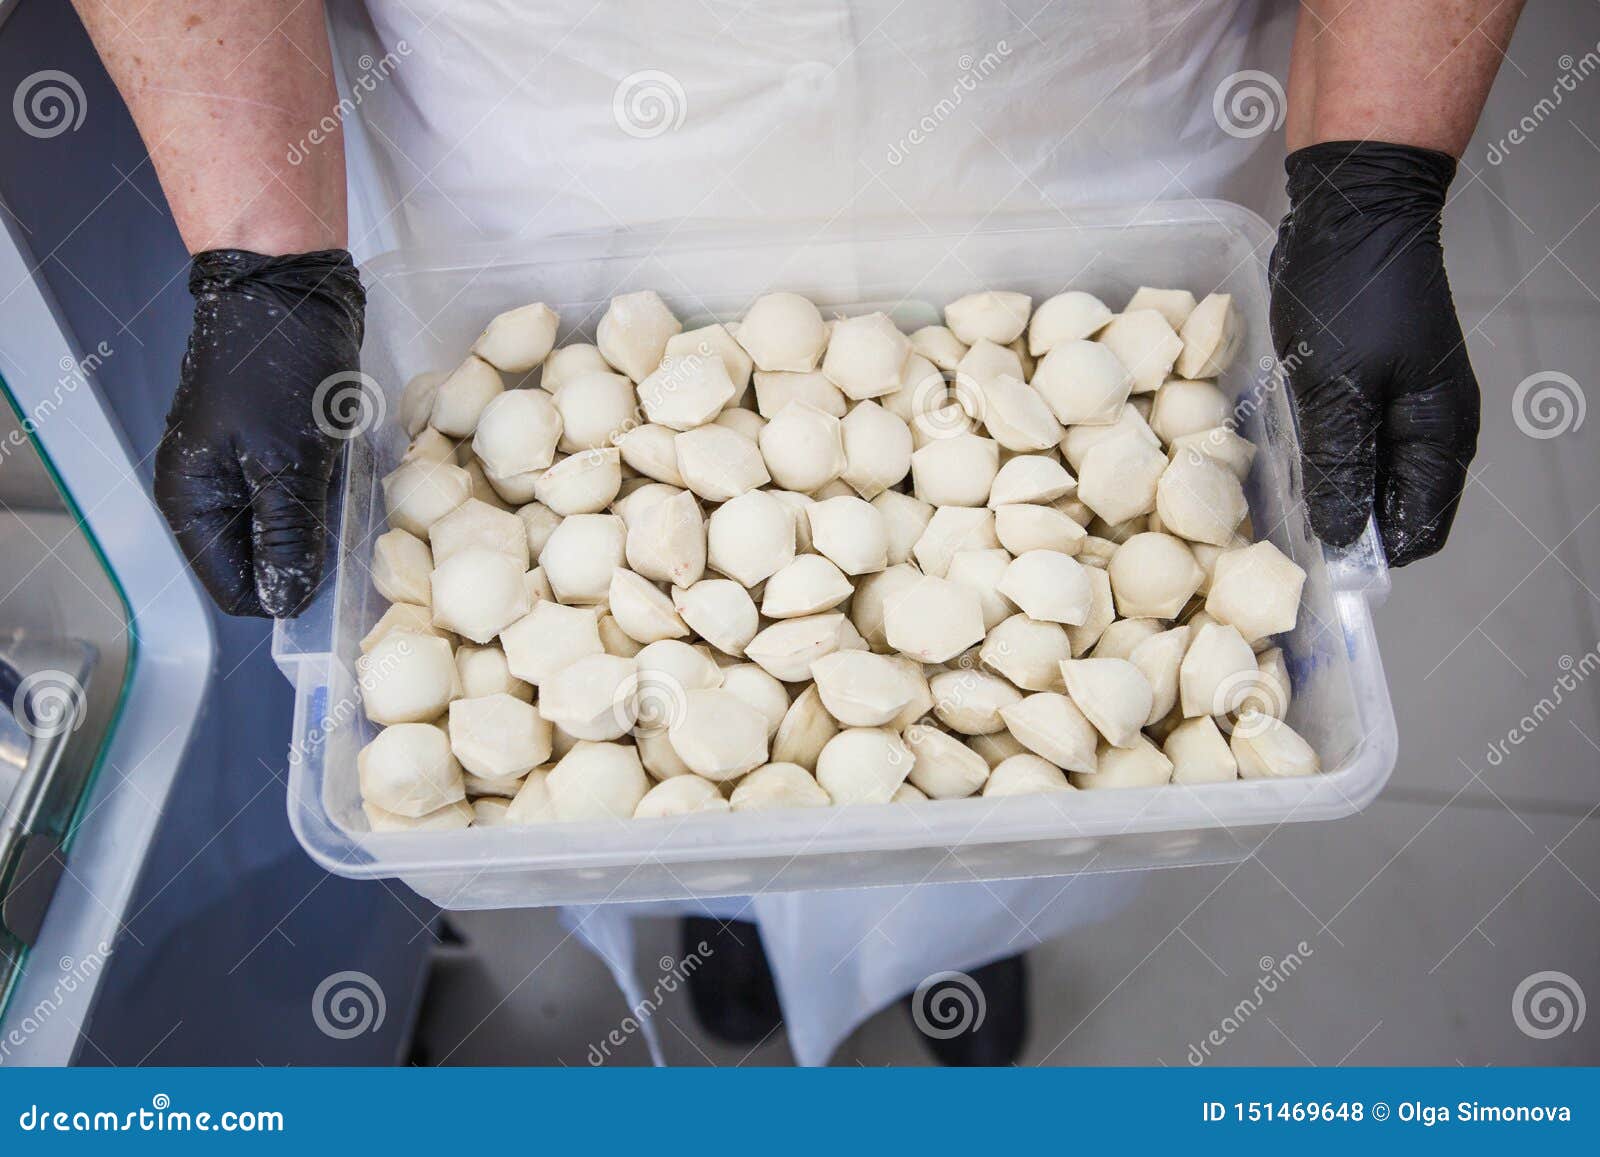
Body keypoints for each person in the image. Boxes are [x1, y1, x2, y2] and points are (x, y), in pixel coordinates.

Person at [71, 0, 1520, 1064]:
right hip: (553, 139)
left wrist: (1374, 174)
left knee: (1050, 808)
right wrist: (258, 260)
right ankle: (738, 921)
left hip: (1080, 113)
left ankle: (970, 931)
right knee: (659, 798)